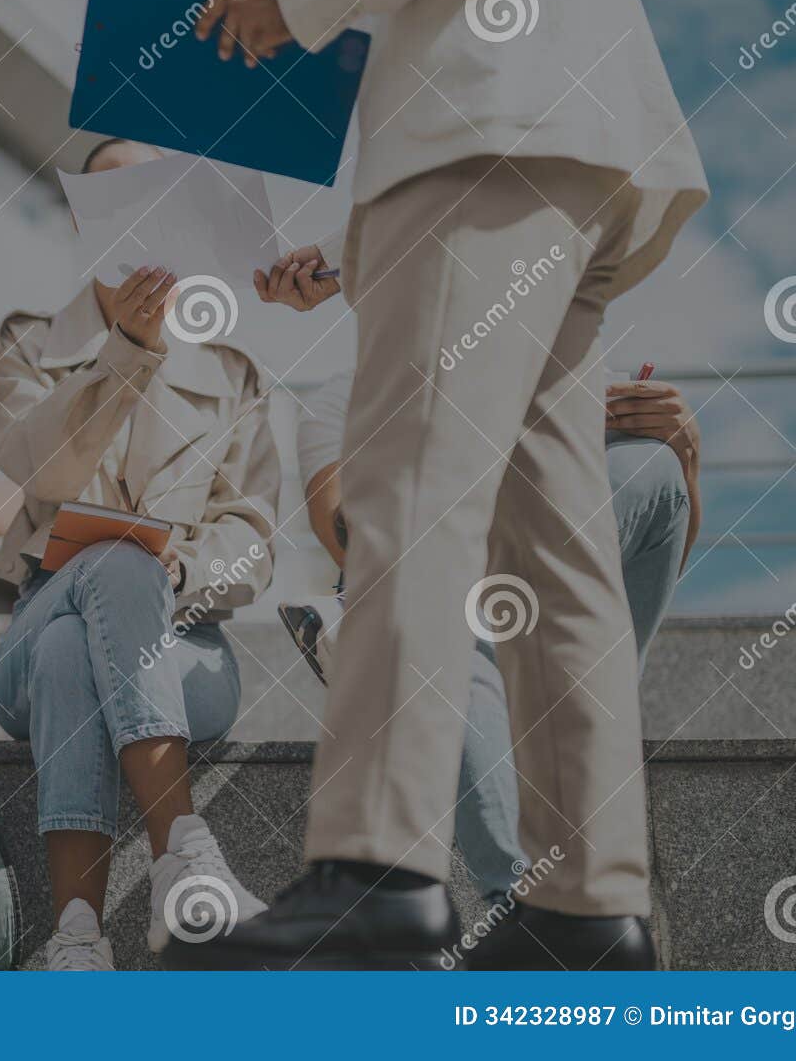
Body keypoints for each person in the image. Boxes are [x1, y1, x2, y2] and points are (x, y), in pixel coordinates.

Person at [177, 0, 708, 969]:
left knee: (412, 491)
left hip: (484, 127)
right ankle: (585, 904)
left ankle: (377, 869)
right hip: (562, 141)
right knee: (553, 540)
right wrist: (348, 246)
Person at [0, 137, 279, 969]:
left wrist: (179, 569)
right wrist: (128, 352)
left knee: (104, 606)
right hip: (31, 639)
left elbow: (253, 540)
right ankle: (184, 860)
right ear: (82, 217)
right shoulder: (29, 342)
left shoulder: (231, 373)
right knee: (89, 599)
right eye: (115, 196)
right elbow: (38, 467)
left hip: (187, 650)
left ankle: (76, 942)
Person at [282, 364, 700, 902]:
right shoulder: (348, 392)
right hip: (445, 599)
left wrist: (685, 457)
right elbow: (347, 535)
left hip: (566, 636)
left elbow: (655, 545)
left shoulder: (569, 370)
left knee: (653, 466)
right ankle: (525, 904)